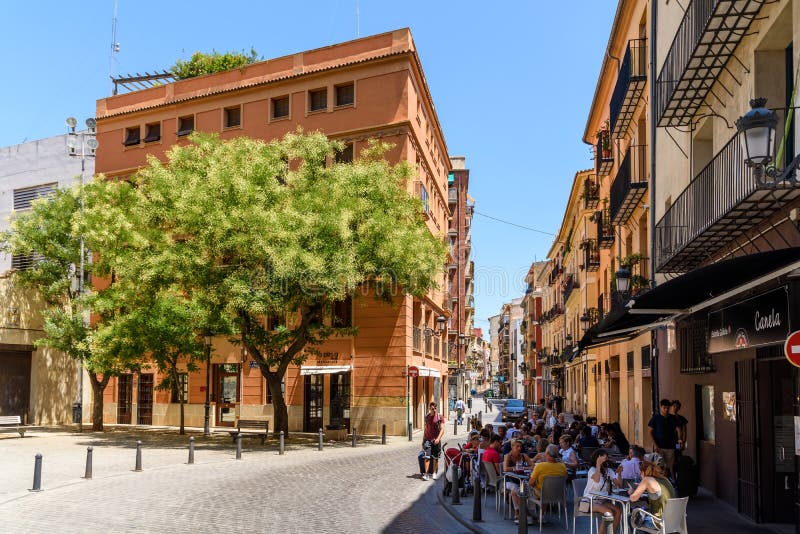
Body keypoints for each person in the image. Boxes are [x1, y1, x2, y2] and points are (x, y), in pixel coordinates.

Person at [581, 449, 624, 533]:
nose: (606, 460)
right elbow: (596, 480)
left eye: (606, 458)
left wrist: (619, 473)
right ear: (597, 458)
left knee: (618, 511)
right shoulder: (592, 470)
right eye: (603, 458)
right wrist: (598, 465)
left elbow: (619, 484)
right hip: (586, 502)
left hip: (601, 501)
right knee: (609, 512)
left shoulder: (609, 471)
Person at [629, 460, 677, 530]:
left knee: (630, 519)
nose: (640, 475)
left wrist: (632, 491)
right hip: (674, 520)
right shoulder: (665, 479)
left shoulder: (646, 479)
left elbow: (633, 498)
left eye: (640, 473)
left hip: (659, 522)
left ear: (643, 472)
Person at [503, 439, 534, 523]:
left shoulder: (524, 456)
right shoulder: (507, 456)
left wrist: (523, 468)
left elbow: (533, 466)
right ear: (512, 447)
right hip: (510, 480)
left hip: (522, 480)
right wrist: (515, 468)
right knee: (514, 491)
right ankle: (524, 513)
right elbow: (505, 469)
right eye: (517, 446)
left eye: (520, 446)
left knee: (520, 491)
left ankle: (518, 513)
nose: (519, 448)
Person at [648, 399, 678, 478]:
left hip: (671, 447)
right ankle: (659, 484)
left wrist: (680, 441)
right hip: (659, 447)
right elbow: (650, 432)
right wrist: (655, 445)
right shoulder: (655, 418)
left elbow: (678, 430)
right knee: (659, 467)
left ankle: (667, 484)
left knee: (668, 467)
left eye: (668, 408)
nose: (666, 410)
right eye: (664, 408)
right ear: (660, 407)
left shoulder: (673, 418)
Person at [423, 402, 445, 481]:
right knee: (427, 457)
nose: (434, 410)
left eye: (435, 408)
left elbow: (442, 429)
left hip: (436, 440)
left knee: (435, 458)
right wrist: (423, 439)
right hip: (428, 440)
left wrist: (438, 438)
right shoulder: (427, 417)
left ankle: (434, 473)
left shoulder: (440, 417)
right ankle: (426, 474)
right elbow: (426, 428)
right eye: (432, 408)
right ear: (429, 408)